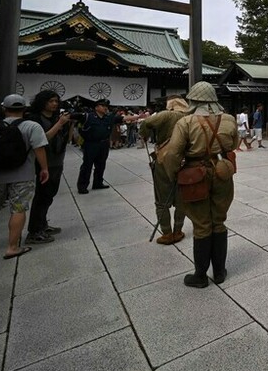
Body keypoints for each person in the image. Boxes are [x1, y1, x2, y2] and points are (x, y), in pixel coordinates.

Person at [161, 82, 238, 288]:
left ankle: (201, 276)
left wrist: (174, 176)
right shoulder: (229, 119)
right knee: (219, 221)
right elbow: (235, 144)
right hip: (223, 172)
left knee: (202, 225)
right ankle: (220, 272)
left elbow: (173, 155)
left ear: (193, 100)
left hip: (196, 176)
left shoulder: (186, 122)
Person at [0, 94, 49, 259]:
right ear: (24, 109)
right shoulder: (32, 126)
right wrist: (44, 168)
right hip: (22, 174)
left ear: (4, 109)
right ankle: (12, 247)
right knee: (18, 209)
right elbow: (39, 149)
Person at [139, 96, 189, 245]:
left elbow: (147, 122)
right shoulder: (190, 116)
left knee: (161, 199)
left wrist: (145, 135)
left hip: (164, 158)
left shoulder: (167, 114)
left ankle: (167, 233)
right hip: (185, 159)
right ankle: (178, 230)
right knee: (182, 199)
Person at [24, 90, 71, 244]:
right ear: (42, 102)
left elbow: (67, 139)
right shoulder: (34, 119)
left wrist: (68, 125)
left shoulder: (58, 118)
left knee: (49, 195)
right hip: (43, 162)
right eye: (51, 101)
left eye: (56, 101)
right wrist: (60, 124)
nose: (54, 104)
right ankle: (34, 231)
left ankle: (42, 224)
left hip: (57, 160)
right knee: (42, 196)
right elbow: (41, 139)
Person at [73, 99, 136, 194]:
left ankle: (98, 183)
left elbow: (123, 118)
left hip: (104, 144)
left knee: (101, 165)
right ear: (96, 107)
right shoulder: (87, 116)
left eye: (106, 106)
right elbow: (71, 117)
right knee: (87, 165)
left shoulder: (109, 118)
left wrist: (139, 116)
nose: (105, 108)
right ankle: (82, 186)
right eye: (102, 105)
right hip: (91, 144)